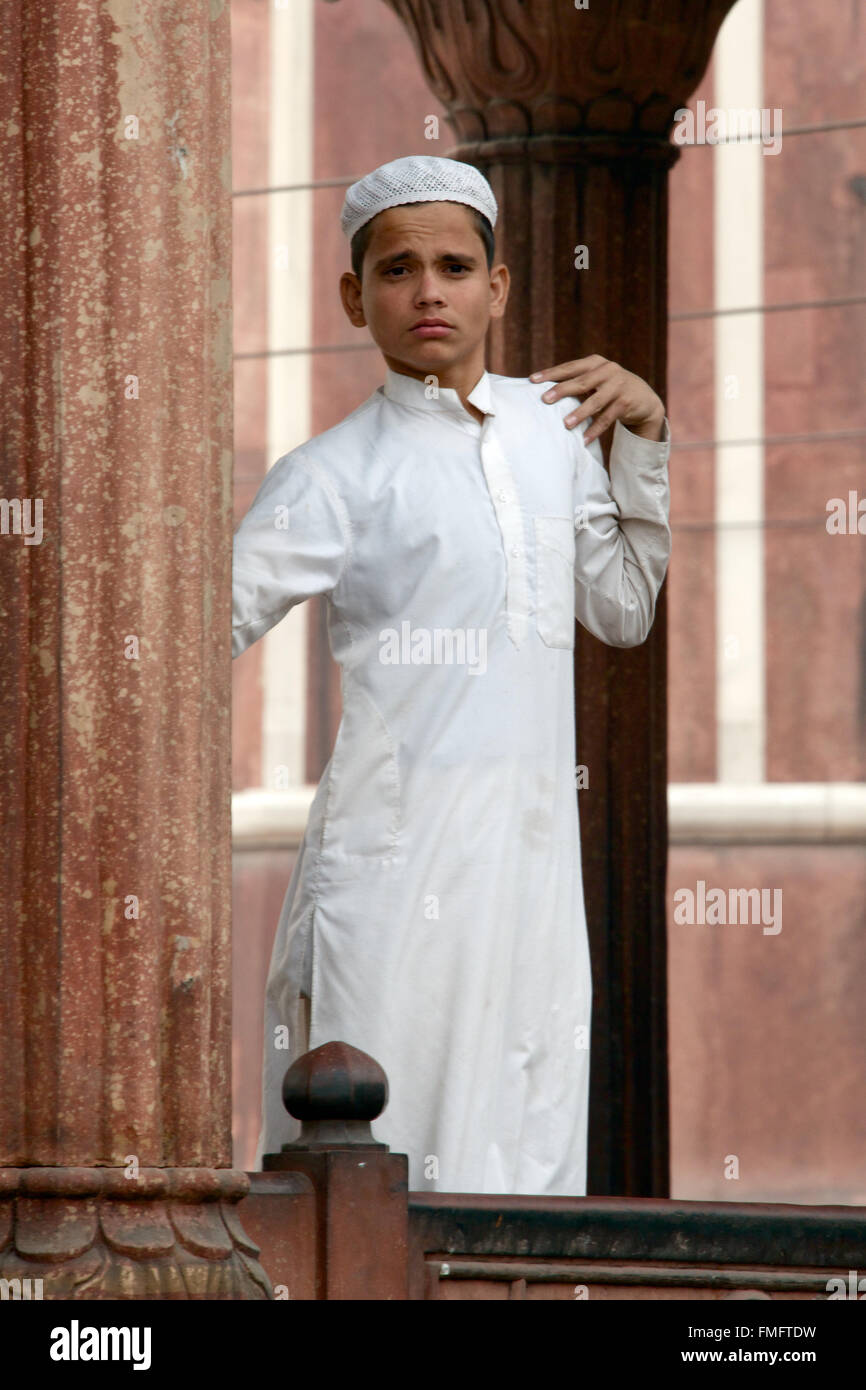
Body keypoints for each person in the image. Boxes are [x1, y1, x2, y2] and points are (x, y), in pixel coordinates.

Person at [232, 154, 671, 1194]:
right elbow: (193, 626)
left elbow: (619, 606)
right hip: (392, 871)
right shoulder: (331, 475)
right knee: (386, 1137)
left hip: (527, 866)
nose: (428, 290)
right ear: (356, 296)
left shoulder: (555, 431)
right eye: (397, 269)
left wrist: (643, 439)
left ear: (497, 286)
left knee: (522, 1136)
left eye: (453, 265)